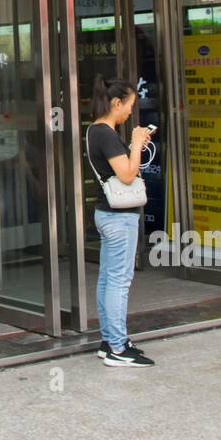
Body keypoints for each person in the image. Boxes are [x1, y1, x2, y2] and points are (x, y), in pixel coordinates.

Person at [85, 76, 156, 367]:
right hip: (118, 218)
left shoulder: (94, 131)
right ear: (116, 103)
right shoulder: (105, 133)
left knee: (108, 279)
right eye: (128, 106)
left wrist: (133, 145)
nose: (130, 112)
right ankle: (116, 346)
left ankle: (111, 340)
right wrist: (137, 143)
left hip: (107, 214)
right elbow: (127, 174)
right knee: (119, 281)